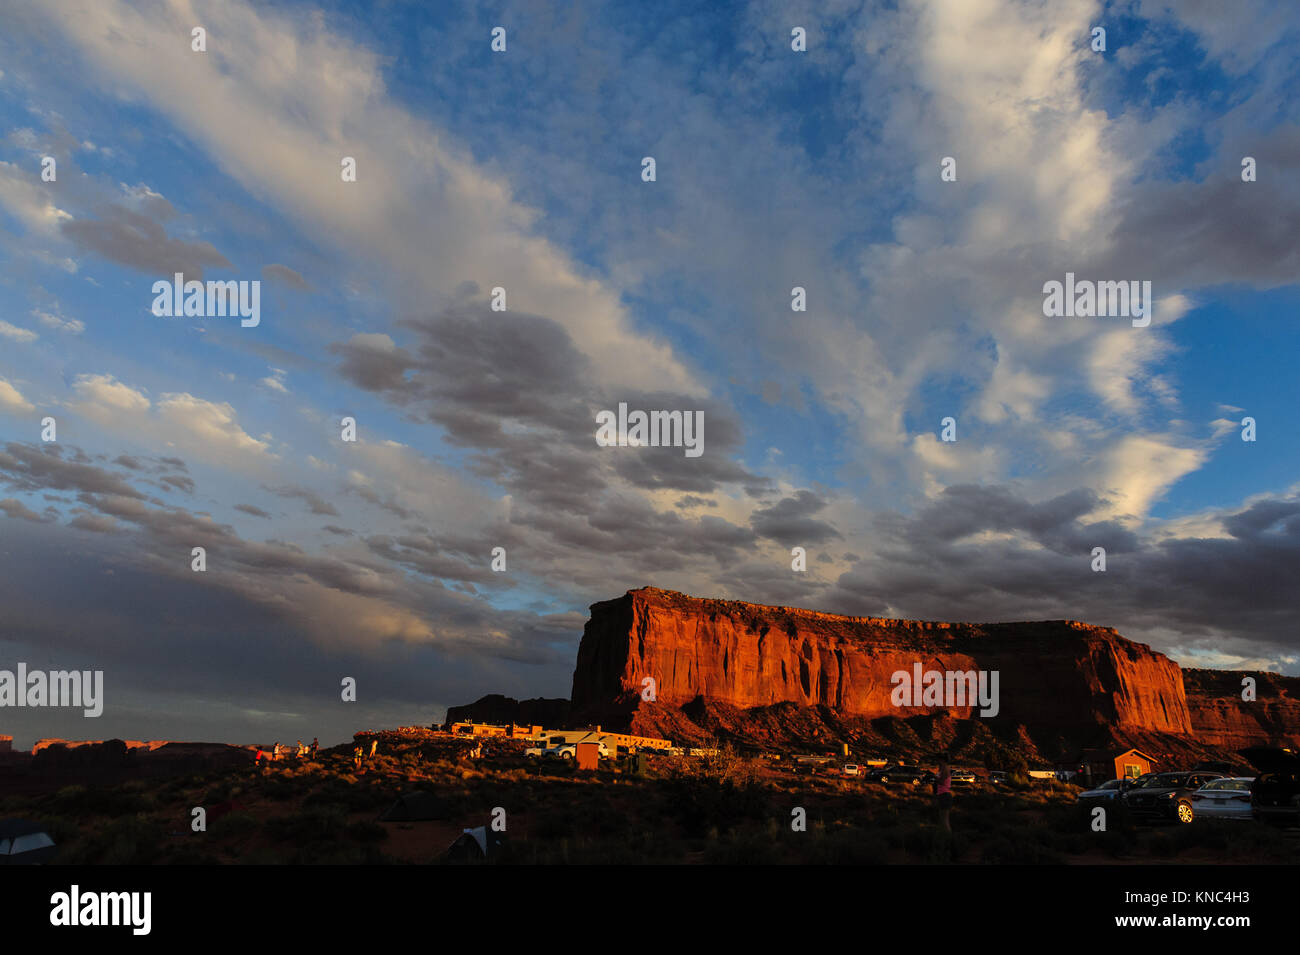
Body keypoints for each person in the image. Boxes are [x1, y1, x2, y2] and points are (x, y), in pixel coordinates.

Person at [934, 760, 953, 833]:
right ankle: (945, 837)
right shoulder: (942, 769)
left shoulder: (945, 769)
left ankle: (948, 838)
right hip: (943, 795)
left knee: (944, 820)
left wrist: (935, 778)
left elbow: (941, 781)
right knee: (942, 819)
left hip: (944, 795)